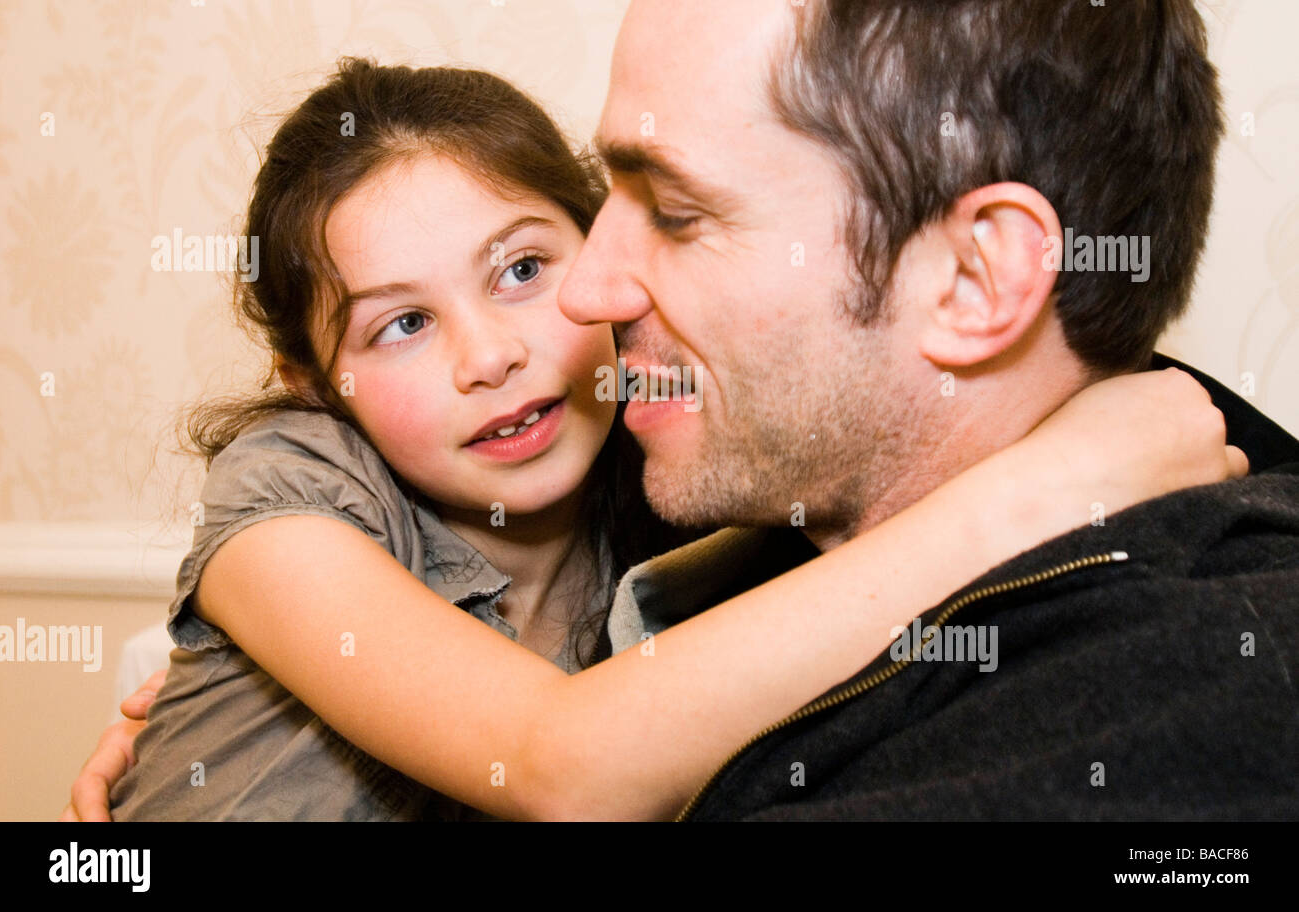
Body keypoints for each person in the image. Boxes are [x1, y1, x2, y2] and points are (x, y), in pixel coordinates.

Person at [64, 56, 1239, 823]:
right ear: (321, 387)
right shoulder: (288, 489)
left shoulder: (679, 497)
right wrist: (1058, 485)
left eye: (525, 268)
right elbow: (557, 764)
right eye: (405, 323)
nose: (490, 354)